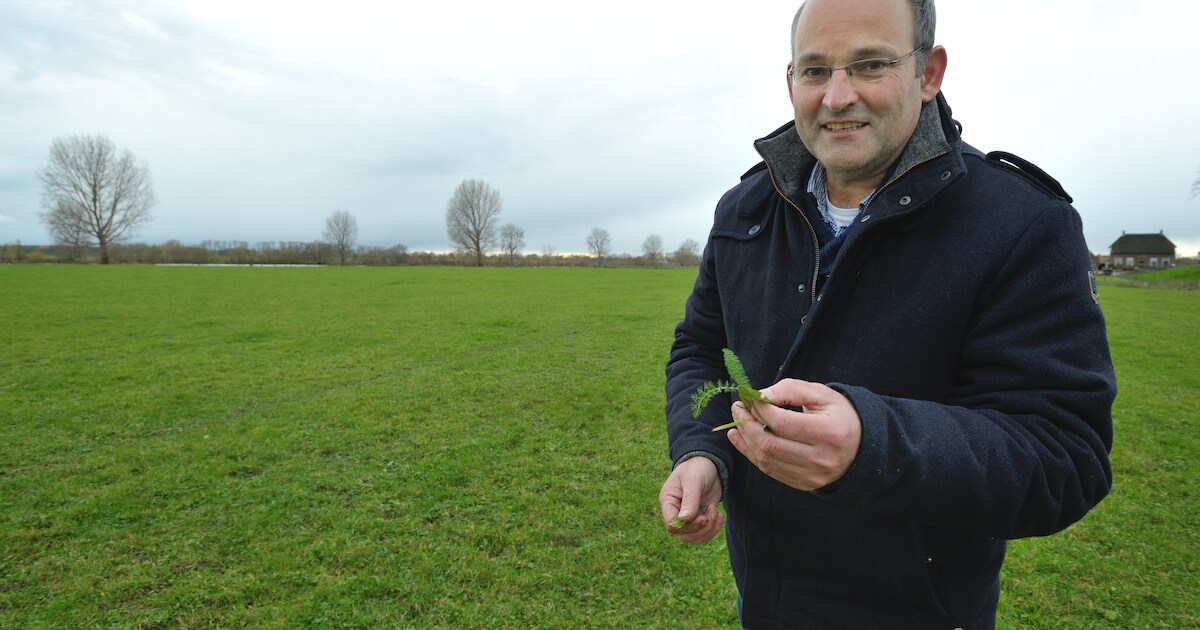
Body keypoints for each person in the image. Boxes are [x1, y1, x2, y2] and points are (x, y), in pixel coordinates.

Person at [657, 0, 1116, 627]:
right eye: (815, 70)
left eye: (870, 64)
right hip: (762, 600)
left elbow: (1064, 458)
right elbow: (701, 351)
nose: (837, 96)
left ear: (929, 73)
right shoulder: (744, 210)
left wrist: (872, 444)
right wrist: (700, 453)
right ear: (790, 82)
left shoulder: (1020, 223)